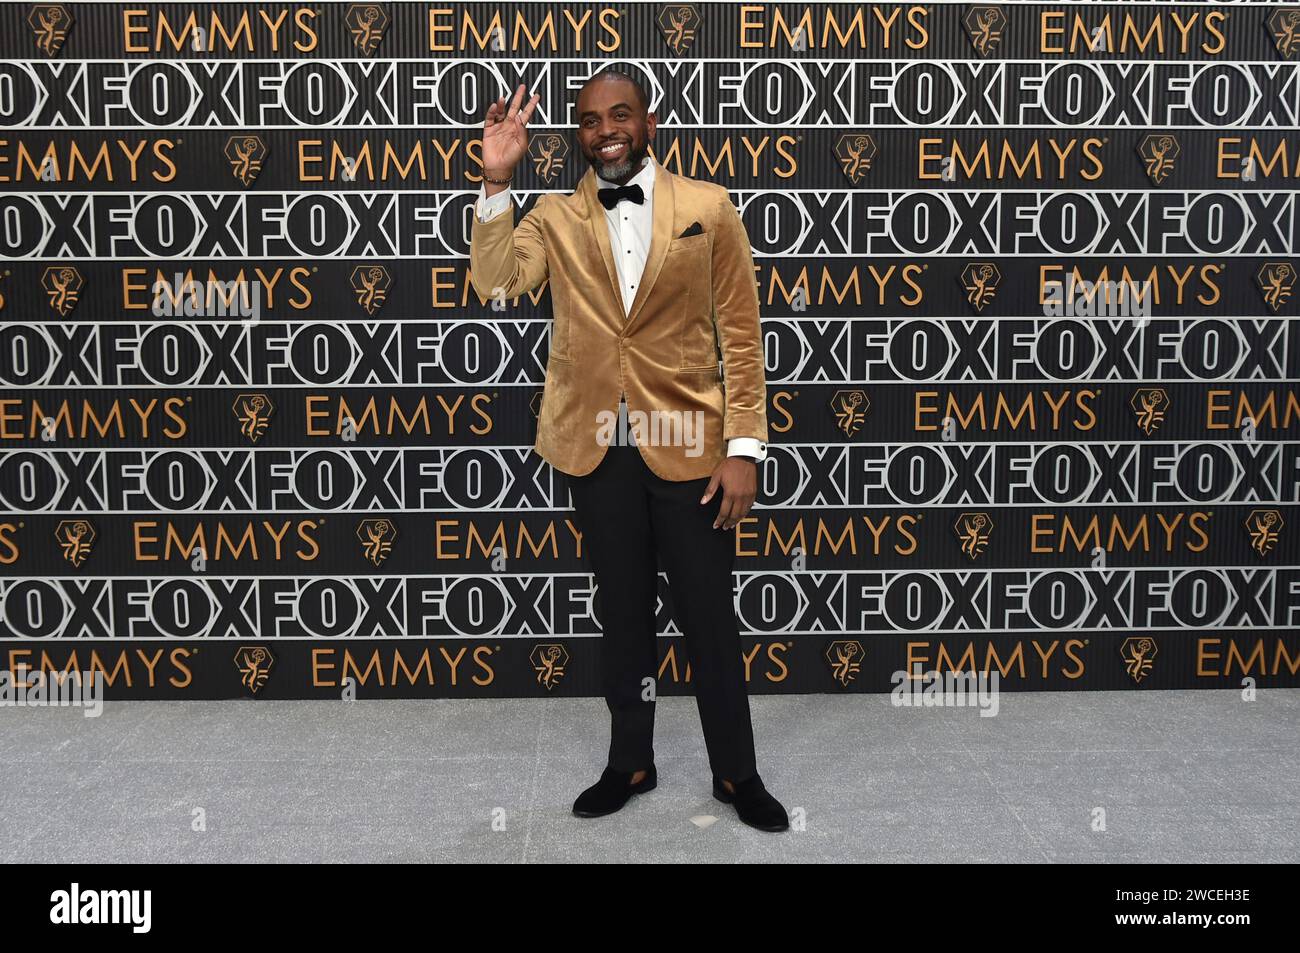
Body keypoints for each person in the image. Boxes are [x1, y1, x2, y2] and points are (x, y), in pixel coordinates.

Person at [470, 71, 789, 832]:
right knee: (622, 616)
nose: (604, 130)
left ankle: (736, 772)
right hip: (598, 448)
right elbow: (495, 282)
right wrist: (495, 178)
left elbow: (740, 336)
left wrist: (743, 447)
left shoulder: (708, 208)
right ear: (577, 135)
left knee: (709, 615)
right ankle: (630, 761)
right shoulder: (552, 214)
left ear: (649, 120)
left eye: (620, 115)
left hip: (691, 444)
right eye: (588, 121)